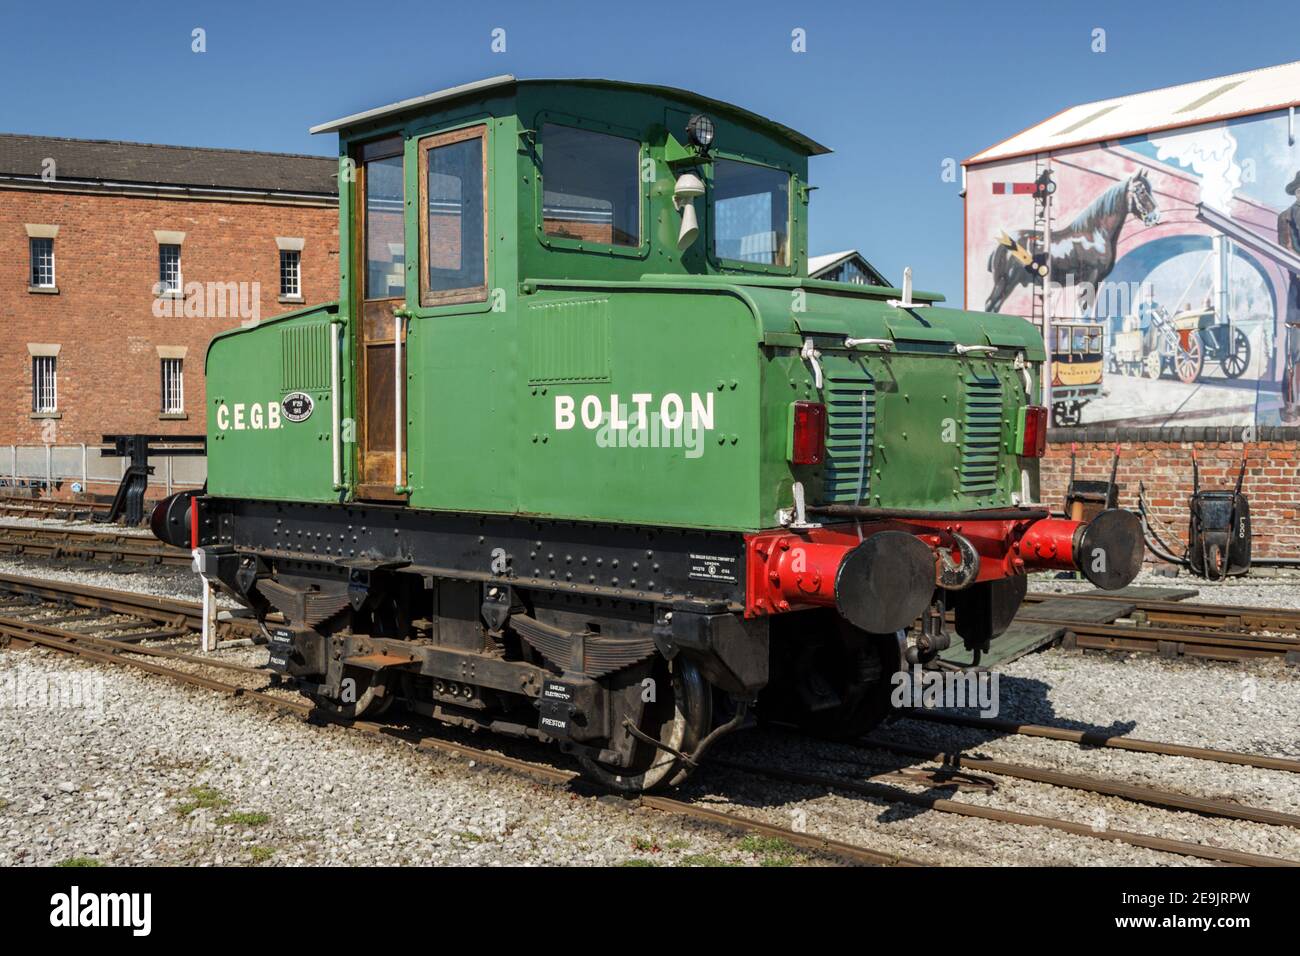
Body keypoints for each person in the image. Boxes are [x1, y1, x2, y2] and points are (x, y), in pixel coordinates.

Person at [1278, 172, 1300, 422]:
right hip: (1298, 297)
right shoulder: (1284, 217)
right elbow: (1287, 251)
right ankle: (1291, 404)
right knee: (1295, 352)